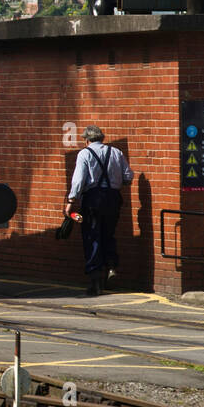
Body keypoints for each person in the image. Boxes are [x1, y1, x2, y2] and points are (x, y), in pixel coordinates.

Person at [64, 125, 133, 296]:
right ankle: (111, 267)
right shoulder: (116, 152)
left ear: (86, 140)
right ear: (102, 138)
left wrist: (71, 201)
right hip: (113, 198)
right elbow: (128, 176)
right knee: (108, 234)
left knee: (92, 236)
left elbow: (79, 181)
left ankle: (95, 281)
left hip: (93, 198)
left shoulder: (85, 153)